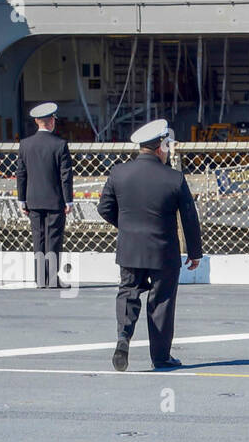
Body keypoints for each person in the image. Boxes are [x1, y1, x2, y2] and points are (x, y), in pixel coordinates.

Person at [97, 120, 203, 372]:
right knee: (162, 301)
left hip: (130, 248)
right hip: (163, 251)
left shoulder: (118, 173)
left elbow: (104, 209)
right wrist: (195, 252)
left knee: (128, 292)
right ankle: (160, 356)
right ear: (160, 147)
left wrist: (126, 227)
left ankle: (123, 337)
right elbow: (189, 217)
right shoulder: (174, 178)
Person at [16, 102, 73, 289]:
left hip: (33, 200)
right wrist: (68, 200)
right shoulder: (60, 145)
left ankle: (40, 278)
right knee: (53, 239)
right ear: (51, 122)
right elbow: (65, 175)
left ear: (36, 122)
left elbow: (21, 174)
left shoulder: (25, 144)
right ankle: (52, 278)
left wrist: (22, 200)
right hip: (55, 200)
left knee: (38, 238)